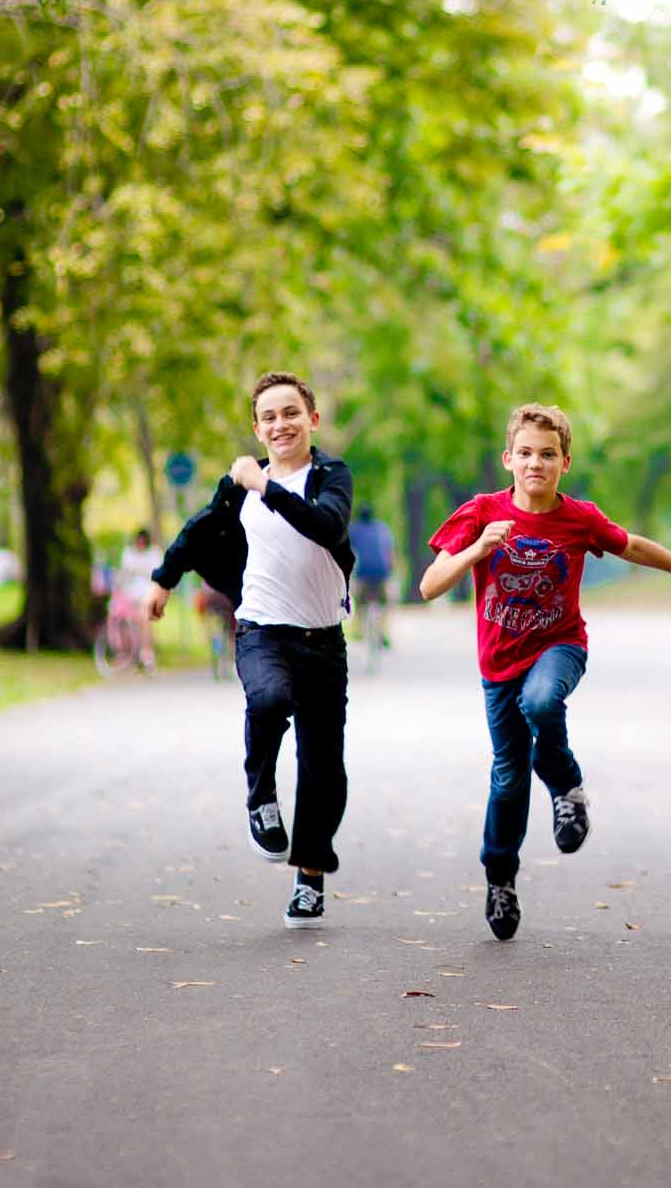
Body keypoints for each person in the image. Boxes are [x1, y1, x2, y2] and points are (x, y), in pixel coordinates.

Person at [420, 402, 671, 942]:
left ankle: (566, 785)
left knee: (540, 703)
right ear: (508, 458)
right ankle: (501, 880)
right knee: (508, 778)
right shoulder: (481, 512)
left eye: (549, 454)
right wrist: (478, 550)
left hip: (560, 647)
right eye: (527, 453)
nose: (536, 463)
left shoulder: (578, 517)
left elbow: (632, 546)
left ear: (565, 462)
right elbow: (429, 585)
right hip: (498, 666)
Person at [146, 372, 355, 929]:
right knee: (266, 699)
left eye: (291, 413)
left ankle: (310, 878)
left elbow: (326, 526)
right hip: (263, 628)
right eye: (269, 417)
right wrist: (163, 579)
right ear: (257, 428)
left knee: (324, 769)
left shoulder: (330, 477)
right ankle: (260, 796)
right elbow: (201, 528)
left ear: (312, 420)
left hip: (323, 641)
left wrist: (267, 489)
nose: (280, 424)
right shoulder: (242, 484)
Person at [349, 503, 396, 663]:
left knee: (358, 602)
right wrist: (391, 570)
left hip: (362, 574)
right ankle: (383, 630)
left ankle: (360, 628)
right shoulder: (382, 528)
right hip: (382, 573)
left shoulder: (353, 529)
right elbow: (389, 552)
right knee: (388, 602)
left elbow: (347, 551)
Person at [112, 527, 164, 671]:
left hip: (147, 594)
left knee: (144, 619)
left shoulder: (154, 554)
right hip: (129, 594)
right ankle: (124, 653)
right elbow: (124, 574)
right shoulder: (129, 554)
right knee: (119, 618)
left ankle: (146, 654)